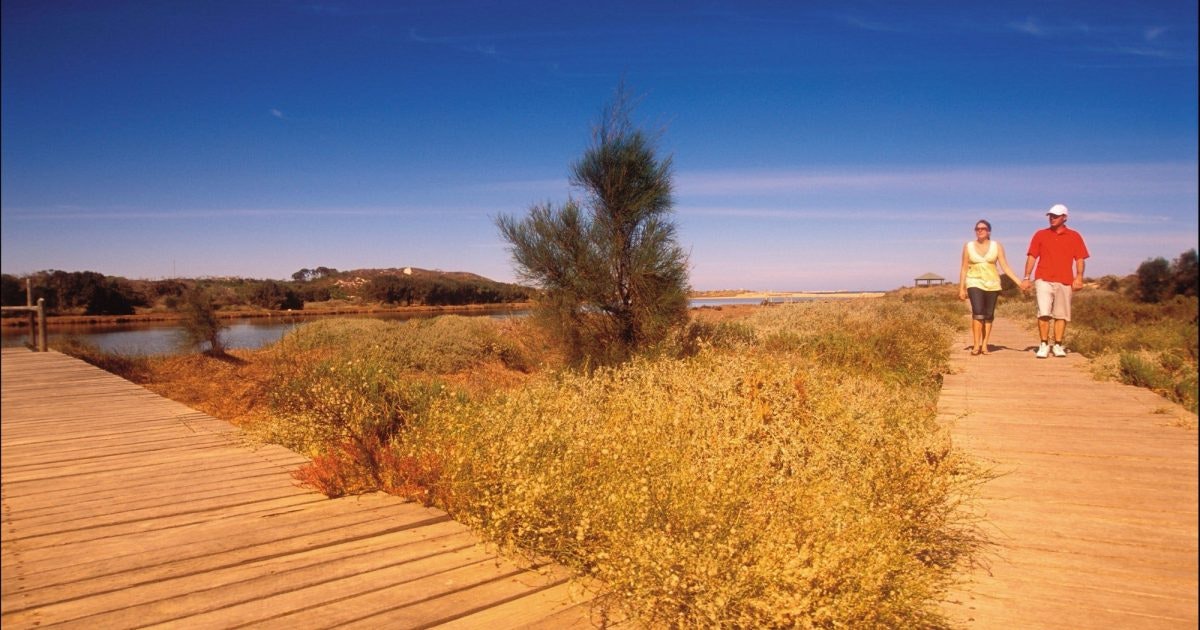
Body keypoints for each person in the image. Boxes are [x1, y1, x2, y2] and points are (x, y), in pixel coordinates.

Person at [1020, 204, 1090, 359]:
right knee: (1043, 313)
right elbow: (1032, 256)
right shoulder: (1040, 234)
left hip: (1065, 280)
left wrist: (1079, 277)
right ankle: (1044, 344)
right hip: (1043, 278)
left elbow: (1080, 258)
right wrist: (1026, 277)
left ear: (1064, 217)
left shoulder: (1074, 236)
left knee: (1061, 314)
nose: (1052, 218)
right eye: (1050, 216)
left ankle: (1058, 345)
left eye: (1056, 216)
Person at [958, 219, 1025, 355]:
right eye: (977, 229)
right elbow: (964, 268)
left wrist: (1019, 282)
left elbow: (1005, 266)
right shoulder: (968, 246)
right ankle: (976, 345)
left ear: (989, 231)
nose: (980, 231)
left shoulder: (997, 246)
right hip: (974, 281)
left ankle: (984, 345)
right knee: (977, 312)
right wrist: (961, 288)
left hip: (992, 283)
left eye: (983, 228)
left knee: (988, 315)